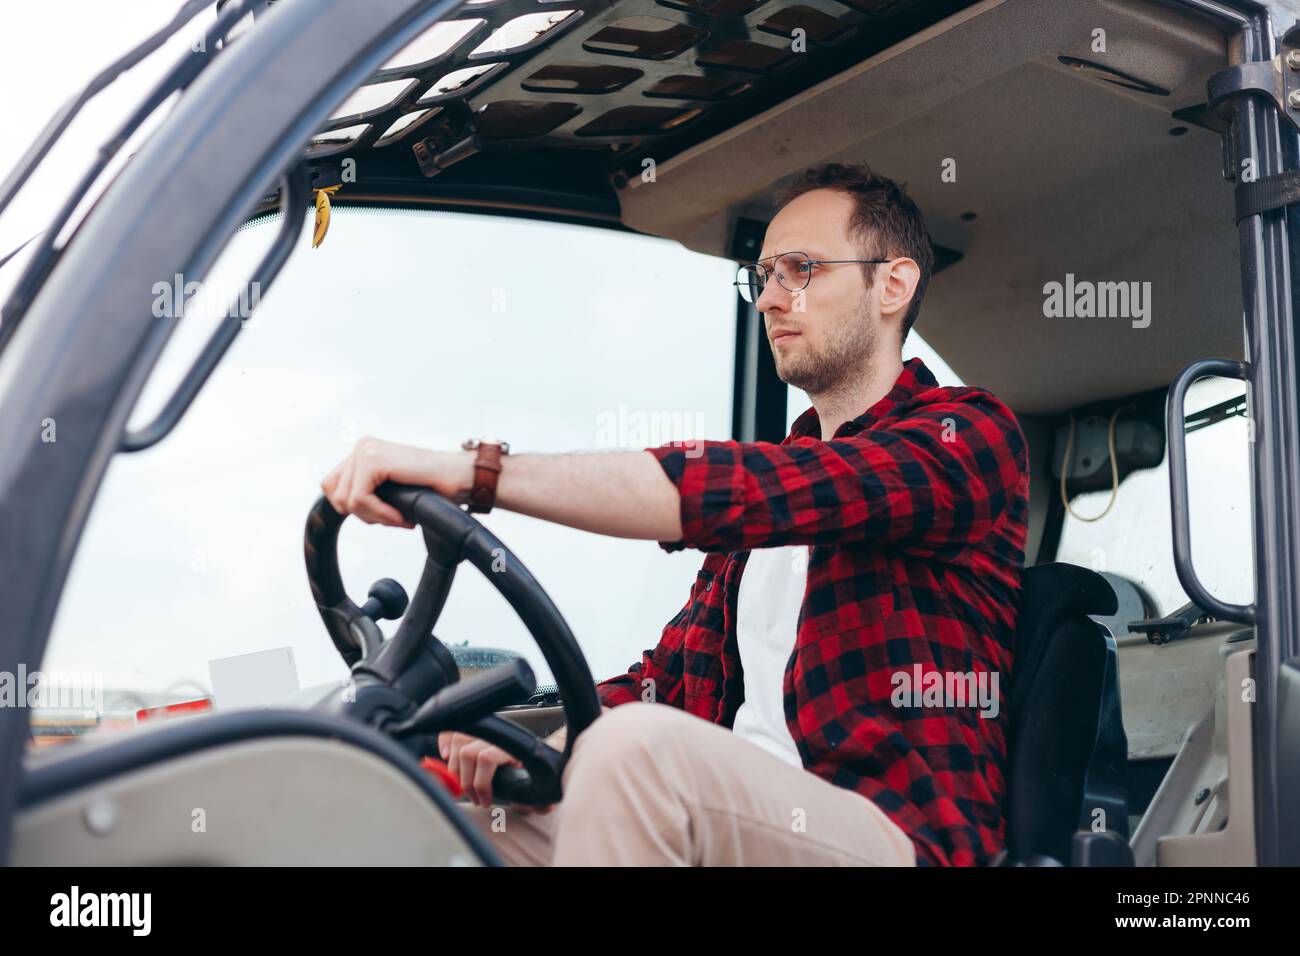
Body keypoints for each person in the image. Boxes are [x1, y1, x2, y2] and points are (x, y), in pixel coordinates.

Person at [321, 162, 1029, 866]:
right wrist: (541, 738)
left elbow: (763, 490)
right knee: (444, 820)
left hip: (900, 838)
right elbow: (668, 681)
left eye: (801, 269)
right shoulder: (768, 519)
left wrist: (476, 473)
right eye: (764, 276)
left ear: (893, 285)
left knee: (638, 756)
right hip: (739, 822)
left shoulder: (966, 437)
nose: (771, 300)